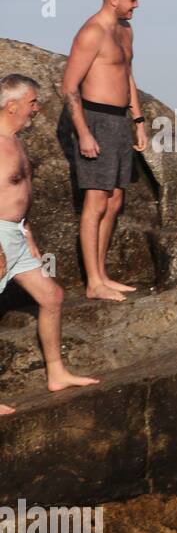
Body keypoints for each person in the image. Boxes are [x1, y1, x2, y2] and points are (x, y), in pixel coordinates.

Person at [1, 73, 100, 409]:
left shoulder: (15, 141)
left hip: (16, 234)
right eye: (32, 103)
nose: (36, 109)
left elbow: (15, 193)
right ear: (11, 105)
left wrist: (26, 235)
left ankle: (56, 373)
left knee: (52, 296)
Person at [60, 0, 150, 302]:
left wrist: (138, 119)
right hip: (94, 118)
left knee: (114, 201)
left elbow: (128, 75)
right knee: (95, 202)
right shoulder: (91, 32)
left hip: (119, 121)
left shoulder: (125, 30)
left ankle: (102, 274)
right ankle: (93, 281)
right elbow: (68, 87)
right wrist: (83, 132)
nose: (135, 5)